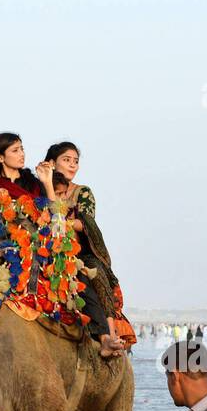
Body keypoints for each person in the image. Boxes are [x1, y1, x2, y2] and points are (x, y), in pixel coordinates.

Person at [44, 141, 131, 356]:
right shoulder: (39, 186)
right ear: (52, 163)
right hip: (44, 250)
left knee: (92, 275)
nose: (73, 165)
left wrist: (60, 223)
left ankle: (108, 335)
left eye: (75, 161)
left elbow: (86, 223)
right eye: (67, 160)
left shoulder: (82, 192)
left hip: (78, 252)